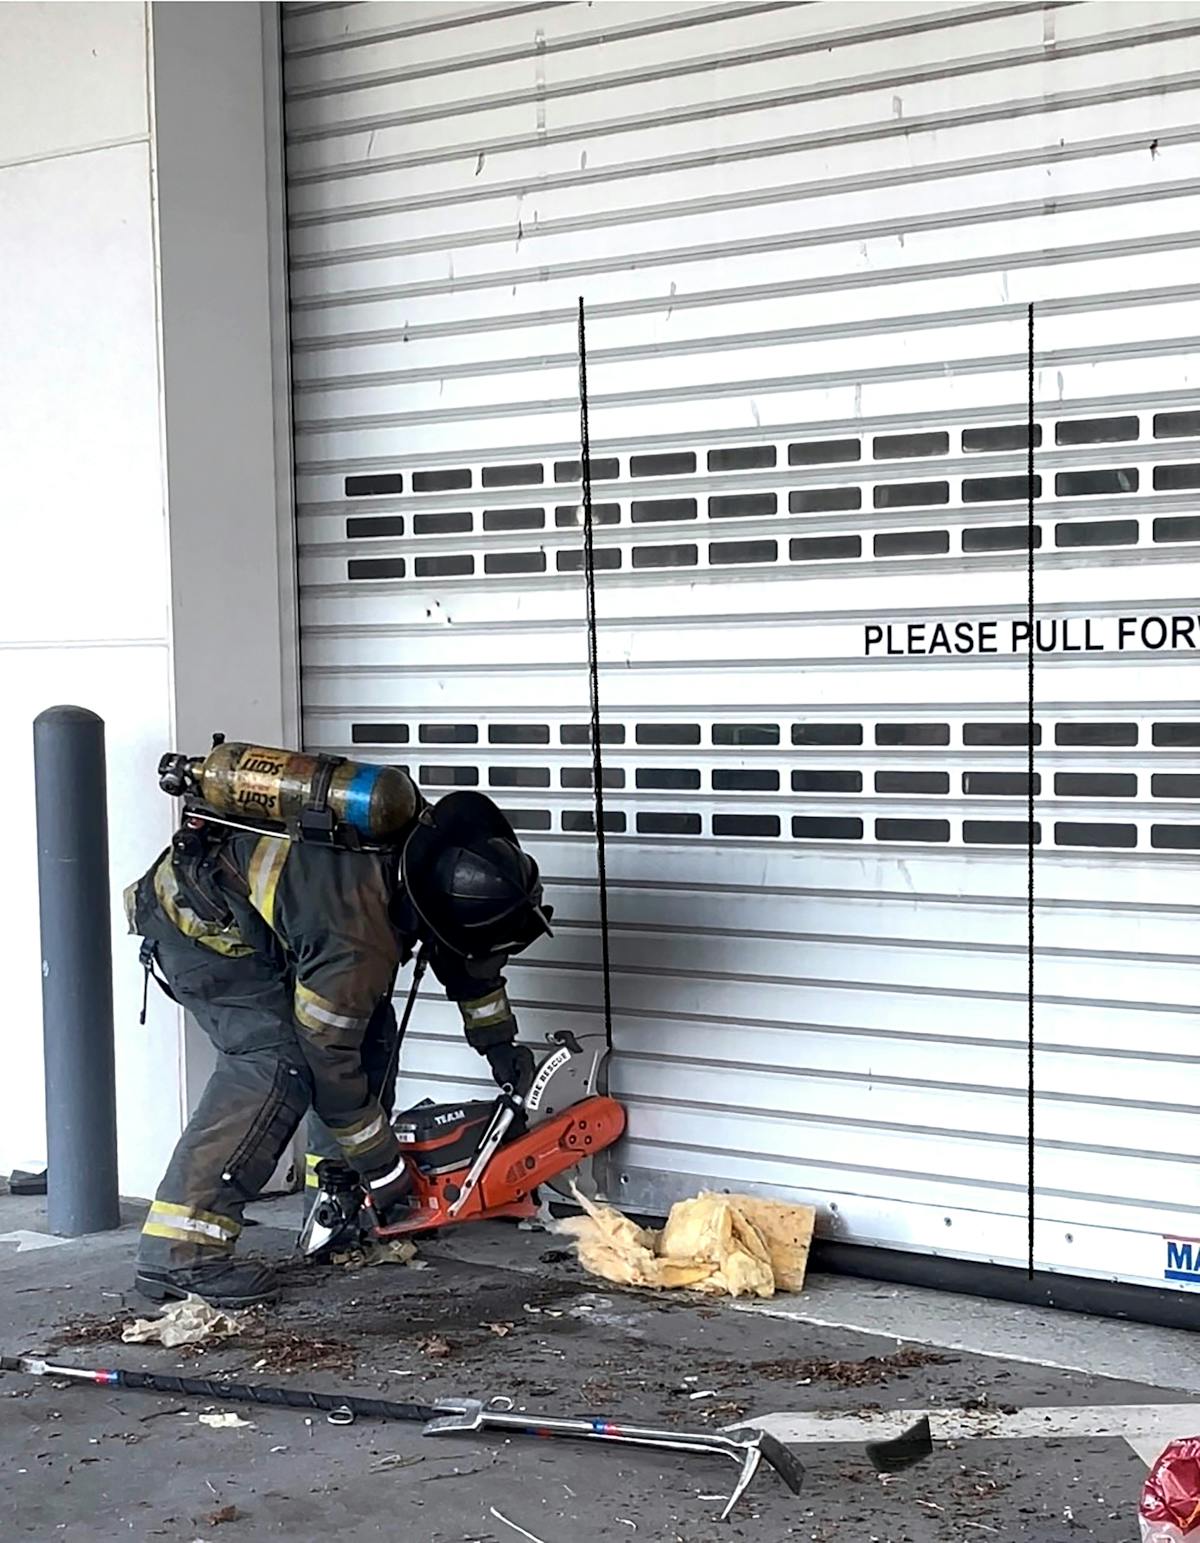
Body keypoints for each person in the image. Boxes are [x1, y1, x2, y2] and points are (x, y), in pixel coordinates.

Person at [124, 782, 550, 1308]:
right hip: (205, 937)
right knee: (275, 1062)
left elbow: (462, 952)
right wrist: (384, 1167)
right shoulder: (357, 939)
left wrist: (498, 1043)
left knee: (370, 1031)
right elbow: (328, 1059)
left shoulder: (428, 845)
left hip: (283, 925)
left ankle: (335, 1212)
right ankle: (179, 1253)